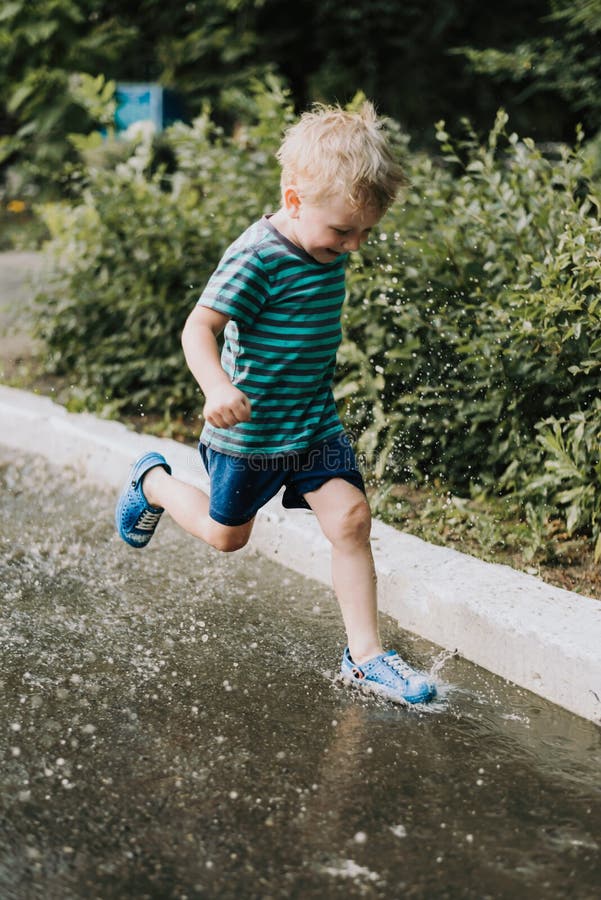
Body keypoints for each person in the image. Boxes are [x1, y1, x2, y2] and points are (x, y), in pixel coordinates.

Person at [115, 101, 436, 705]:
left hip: (313, 422)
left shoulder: (329, 242)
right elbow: (197, 329)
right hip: (252, 435)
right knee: (225, 537)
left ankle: (364, 656)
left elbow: (330, 260)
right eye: (344, 231)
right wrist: (216, 387)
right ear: (294, 200)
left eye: (365, 232)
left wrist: (340, 236)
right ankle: (152, 482)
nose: (354, 245)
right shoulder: (256, 256)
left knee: (351, 519)